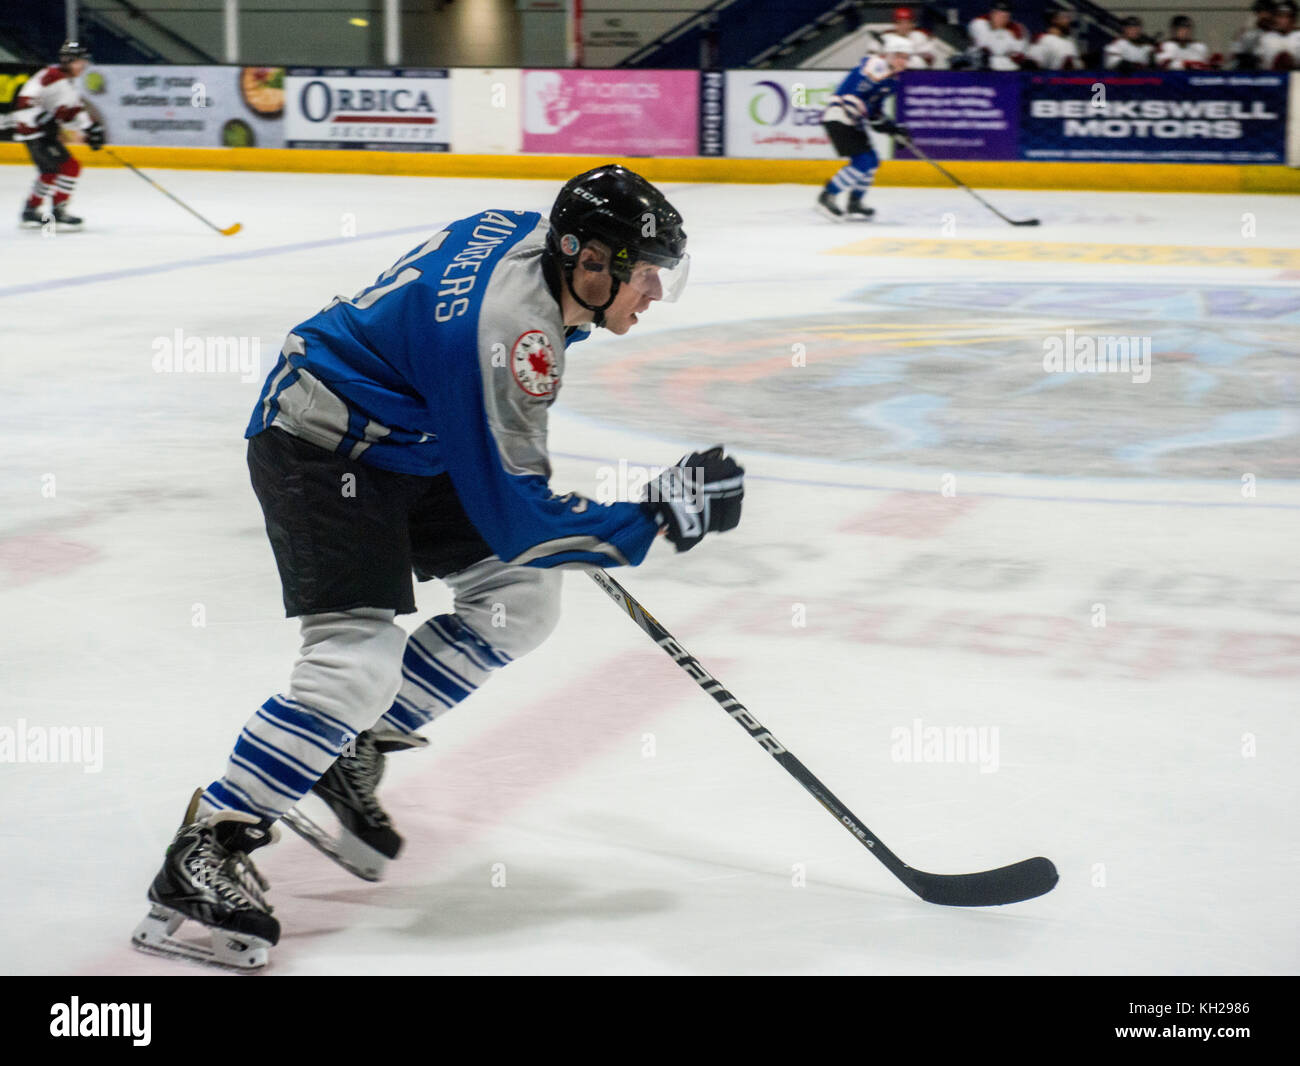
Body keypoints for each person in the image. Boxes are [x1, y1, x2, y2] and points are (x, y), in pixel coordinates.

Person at [131, 164, 746, 970]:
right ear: (589, 262)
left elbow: (475, 411)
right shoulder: (512, 332)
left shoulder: (532, 243)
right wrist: (659, 515)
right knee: (356, 662)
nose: (657, 292)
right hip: (321, 443)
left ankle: (351, 745)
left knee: (520, 603)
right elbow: (519, 519)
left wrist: (500, 452)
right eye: (645, 272)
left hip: (407, 439)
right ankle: (209, 843)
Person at [817, 35, 911, 222]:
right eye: (899, 56)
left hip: (853, 121)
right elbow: (855, 99)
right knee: (863, 162)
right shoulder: (876, 66)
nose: (903, 61)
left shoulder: (891, 80)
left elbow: (874, 112)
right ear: (889, 55)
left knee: (872, 161)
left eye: (906, 57)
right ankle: (827, 196)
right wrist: (883, 123)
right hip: (840, 117)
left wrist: (893, 129)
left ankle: (855, 203)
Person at [11, 41, 105, 229]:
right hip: (36, 134)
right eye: (80, 61)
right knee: (70, 167)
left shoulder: (64, 80)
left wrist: (90, 129)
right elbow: (24, 101)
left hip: (39, 134)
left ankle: (31, 210)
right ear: (69, 60)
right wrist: (39, 118)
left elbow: (72, 110)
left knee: (49, 172)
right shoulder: (52, 77)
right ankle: (58, 211)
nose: (84, 65)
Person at [874, 6, 951, 69]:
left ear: (912, 24)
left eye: (908, 23)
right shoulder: (885, 37)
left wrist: (906, 61)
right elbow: (872, 59)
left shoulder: (920, 36)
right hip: (888, 75)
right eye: (901, 23)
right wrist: (889, 60)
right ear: (895, 24)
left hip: (913, 76)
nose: (904, 26)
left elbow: (928, 60)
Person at [967, 3, 1027, 70]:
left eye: (1005, 17)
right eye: (998, 15)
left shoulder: (1015, 30)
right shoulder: (978, 23)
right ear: (992, 14)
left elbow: (1018, 55)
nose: (1002, 19)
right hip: (978, 66)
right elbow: (984, 48)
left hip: (1006, 69)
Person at [1232, 1, 1275, 68]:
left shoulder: (1276, 34)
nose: (1263, 15)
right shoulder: (1248, 34)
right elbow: (1235, 55)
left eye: (1267, 11)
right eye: (1259, 11)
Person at [1257, 1, 1300, 68]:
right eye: (1277, 16)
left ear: (1293, 19)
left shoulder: (1298, 36)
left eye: (1283, 16)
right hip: (1271, 76)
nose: (1278, 20)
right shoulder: (1266, 38)